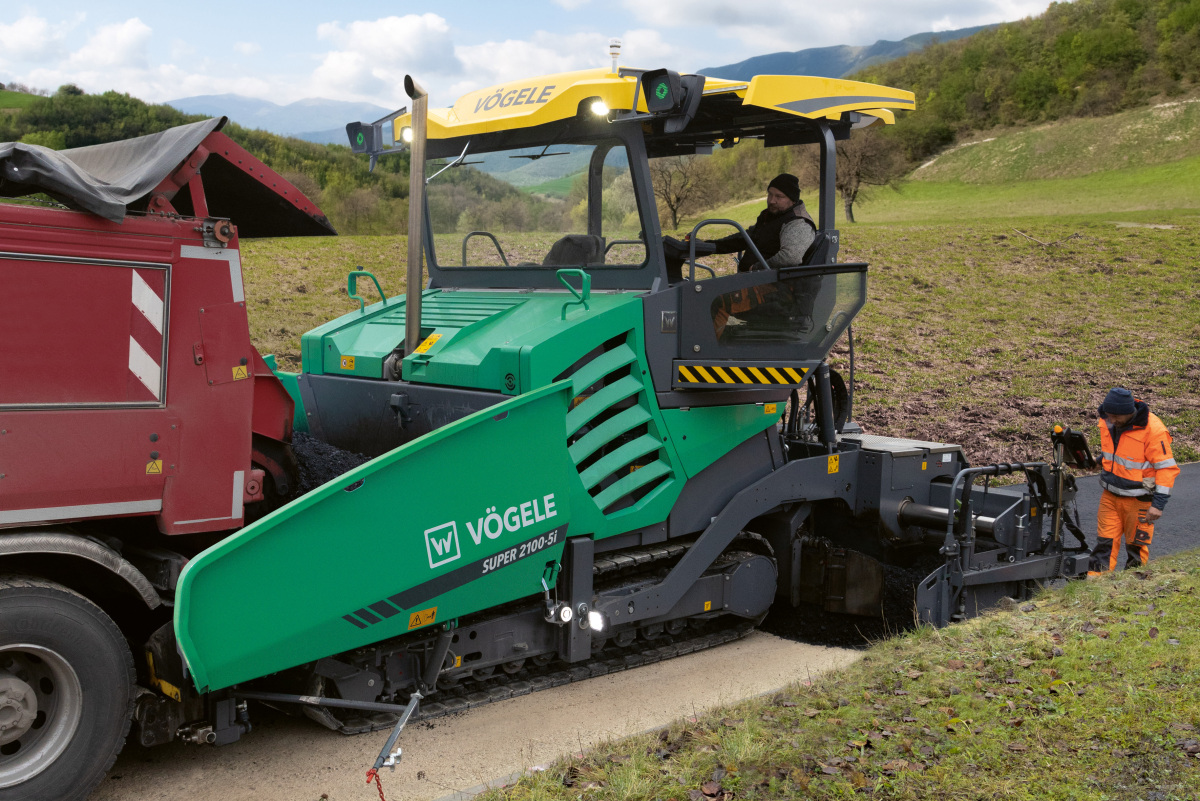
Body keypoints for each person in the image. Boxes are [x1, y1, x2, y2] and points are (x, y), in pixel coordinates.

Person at [1088, 387, 1179, 574]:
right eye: (1109, 415)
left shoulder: (1153, 430)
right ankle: (1095, 585)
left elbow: (1166, 468)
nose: (1112, 420)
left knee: (1135, 548)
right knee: (1104, 544)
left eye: (1116, 417)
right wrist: (1098, 462)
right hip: (1110, 496)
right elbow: (1117, 451)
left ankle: (1134, 585)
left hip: (1139, 500)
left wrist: (1158, 505)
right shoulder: (1108, 420)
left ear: (1129, 412)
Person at [709, 173, 817, 271]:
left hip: (773, 284)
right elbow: (746, 239)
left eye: (779, 197)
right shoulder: (771, 217)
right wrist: (708, 246)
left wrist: (756, 268)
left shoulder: (798, 223)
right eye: (770, 194)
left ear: (793, 200)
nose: (771, 201)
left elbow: (790, 257)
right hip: (753, 281)